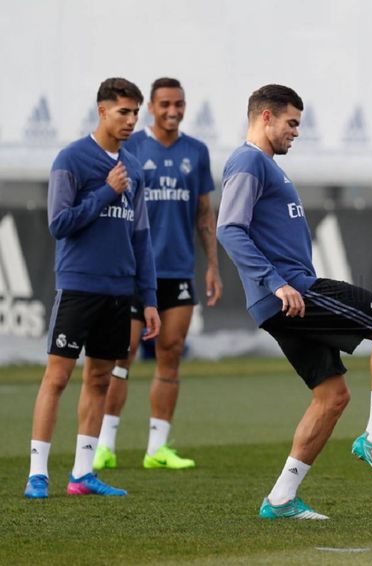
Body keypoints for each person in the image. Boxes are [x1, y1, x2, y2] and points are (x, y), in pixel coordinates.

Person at [216, 84, 372, 520]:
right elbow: (229, 228)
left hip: (282, 298)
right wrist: (275, 282)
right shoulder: (249, 160)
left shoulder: (264, 165)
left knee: (332, 396)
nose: (296, 132)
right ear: (265, 117)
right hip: (293, 293)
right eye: (292, 123)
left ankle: (281, 499)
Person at [24, 78, 160, 499]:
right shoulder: (71, 159)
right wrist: (106, 191)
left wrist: (149, 298)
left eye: (136, 113)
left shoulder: (134, 168)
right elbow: (59, 224)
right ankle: (37, 473)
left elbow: (141, 238)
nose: (132, 121)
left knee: (100, 378)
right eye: (124, 112)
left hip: (120, 291)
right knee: (58, 377)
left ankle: (83, 473)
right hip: (79, 287)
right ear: (102, 111)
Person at [92, 78, 222, 472]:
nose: (173, 111)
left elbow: (203, 212)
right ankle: (105, 445)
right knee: (122, 356)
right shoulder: (130, 147)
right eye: (165, 103)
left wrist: (213, 264)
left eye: (179, 104)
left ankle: (157, 449)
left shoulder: (196, 151)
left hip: (179, 270)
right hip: (133, 271)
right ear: (151, 106)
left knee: (170, 355)